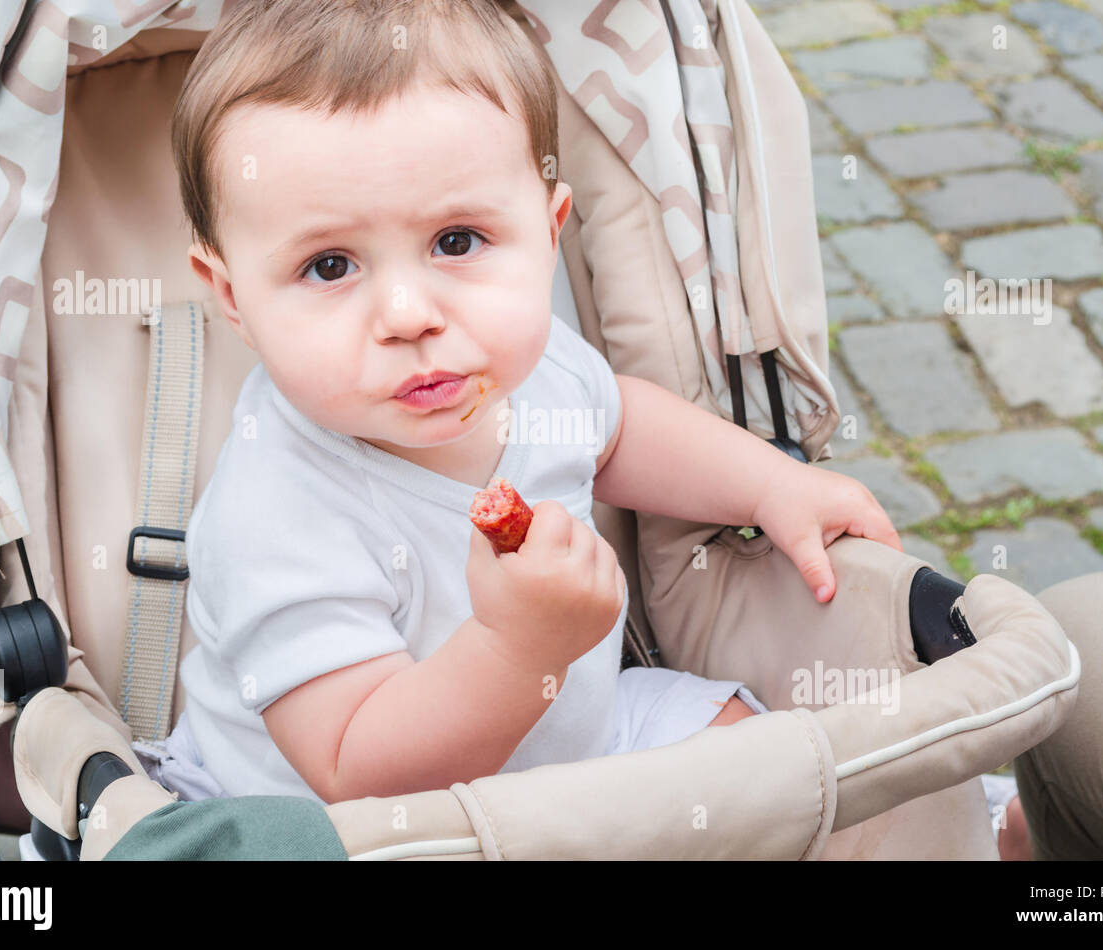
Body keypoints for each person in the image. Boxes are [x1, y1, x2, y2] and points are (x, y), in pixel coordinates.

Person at [144, 0, 1023, 858]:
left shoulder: (532, 369)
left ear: (549, 231)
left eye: (458, 242)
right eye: (329, 265)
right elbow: (353, 768)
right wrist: (518, 648)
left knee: (760, 748)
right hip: (367, 827)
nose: (410, 313)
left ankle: (971, 831)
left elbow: (620, 431)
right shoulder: (275, 512)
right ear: (232, 298)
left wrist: (769, 483)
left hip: (578, 736)